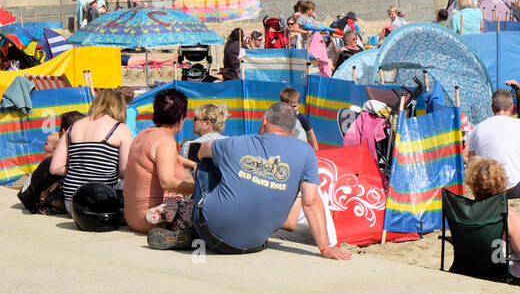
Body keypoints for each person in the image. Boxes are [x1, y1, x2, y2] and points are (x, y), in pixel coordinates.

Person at [150, 103, 349, 259]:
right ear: (291, 129)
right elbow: (311, 201)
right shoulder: (306, 152)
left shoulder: (237, 142)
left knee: (207, 164)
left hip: (210, 229)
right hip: (255, 242)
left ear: (264, 121)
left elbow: (202, 151)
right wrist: (325, 247)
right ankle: (201, 234)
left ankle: (194, 232)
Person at [50, 88, 134, 217]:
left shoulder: (73, 127)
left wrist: (81, 168)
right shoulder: (120, 129)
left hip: (72, 205)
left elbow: (55, 168)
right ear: (119, 107)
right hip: (102, 204)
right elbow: (124, 172)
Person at [123, 87, 194, 233]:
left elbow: (166, 157)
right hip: (152, 219)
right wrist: (201, 188)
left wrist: (192, 164)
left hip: (133, 216)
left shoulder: (145, 134)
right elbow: (167, 182)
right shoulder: (165, 141)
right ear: (181, 117)